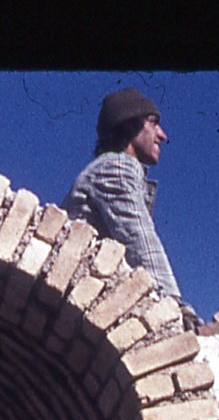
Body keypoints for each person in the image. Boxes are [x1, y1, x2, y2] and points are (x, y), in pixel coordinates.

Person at [63, 87, 196, 323]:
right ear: (130, 126)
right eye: (153, 123)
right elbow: (137, 235)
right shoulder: (116, 166)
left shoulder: (113, 169)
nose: (162, 135)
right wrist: (172, 304)